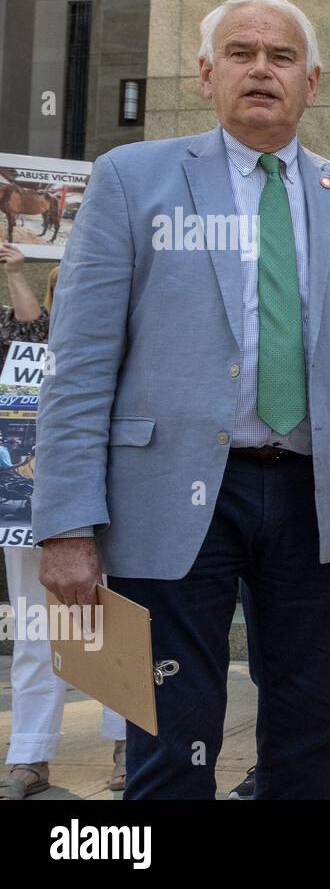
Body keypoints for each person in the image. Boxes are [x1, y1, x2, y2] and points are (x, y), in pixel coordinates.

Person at [32, 0, 330, 800]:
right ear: (206, 76)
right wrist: (65, 523)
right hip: (164, 497)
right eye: (241, 52)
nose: (261, 69)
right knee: (173, 739)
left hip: (314, 496)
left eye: (280, 57)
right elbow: (80, 365)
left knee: (311, 730)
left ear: (312, 83)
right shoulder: (131, 182)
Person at [1, 255, 127, 800]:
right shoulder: (21, 343)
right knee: (33, 628)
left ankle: (129, 745)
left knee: (118, 626)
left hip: (116, 502)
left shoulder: (129, 343)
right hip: (24, 505)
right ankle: (29, 755)